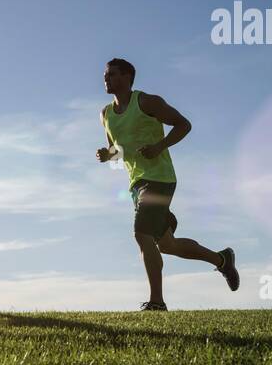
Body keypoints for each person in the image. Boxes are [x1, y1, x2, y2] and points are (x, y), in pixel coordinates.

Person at [95, 58, 239, 310]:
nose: (106, 79)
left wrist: (159, 146)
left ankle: (157, 302)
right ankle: (222, 259)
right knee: (167, 245)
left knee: (141, 234)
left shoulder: (147, 102)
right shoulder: (105, 114)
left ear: (128, 77)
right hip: (136, 184)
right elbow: (118, 149)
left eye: (113, 74)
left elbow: (184, 125)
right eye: (105, 75)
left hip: (160, 178)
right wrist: (108, 155)